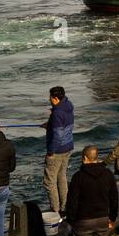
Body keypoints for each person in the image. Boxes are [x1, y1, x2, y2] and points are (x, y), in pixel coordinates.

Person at [43, 86, 74, 217]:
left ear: (55, 99)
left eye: (50, 97)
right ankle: (64, 207)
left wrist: (51, 151)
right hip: (68, 147)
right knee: (62, 177)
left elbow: (58, 136)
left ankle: (55, 210)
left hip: (58, 151)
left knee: (49, 182)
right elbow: (62, 125)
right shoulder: (68, 105)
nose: (49, 99)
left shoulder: (57, 113)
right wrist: (50, 125)